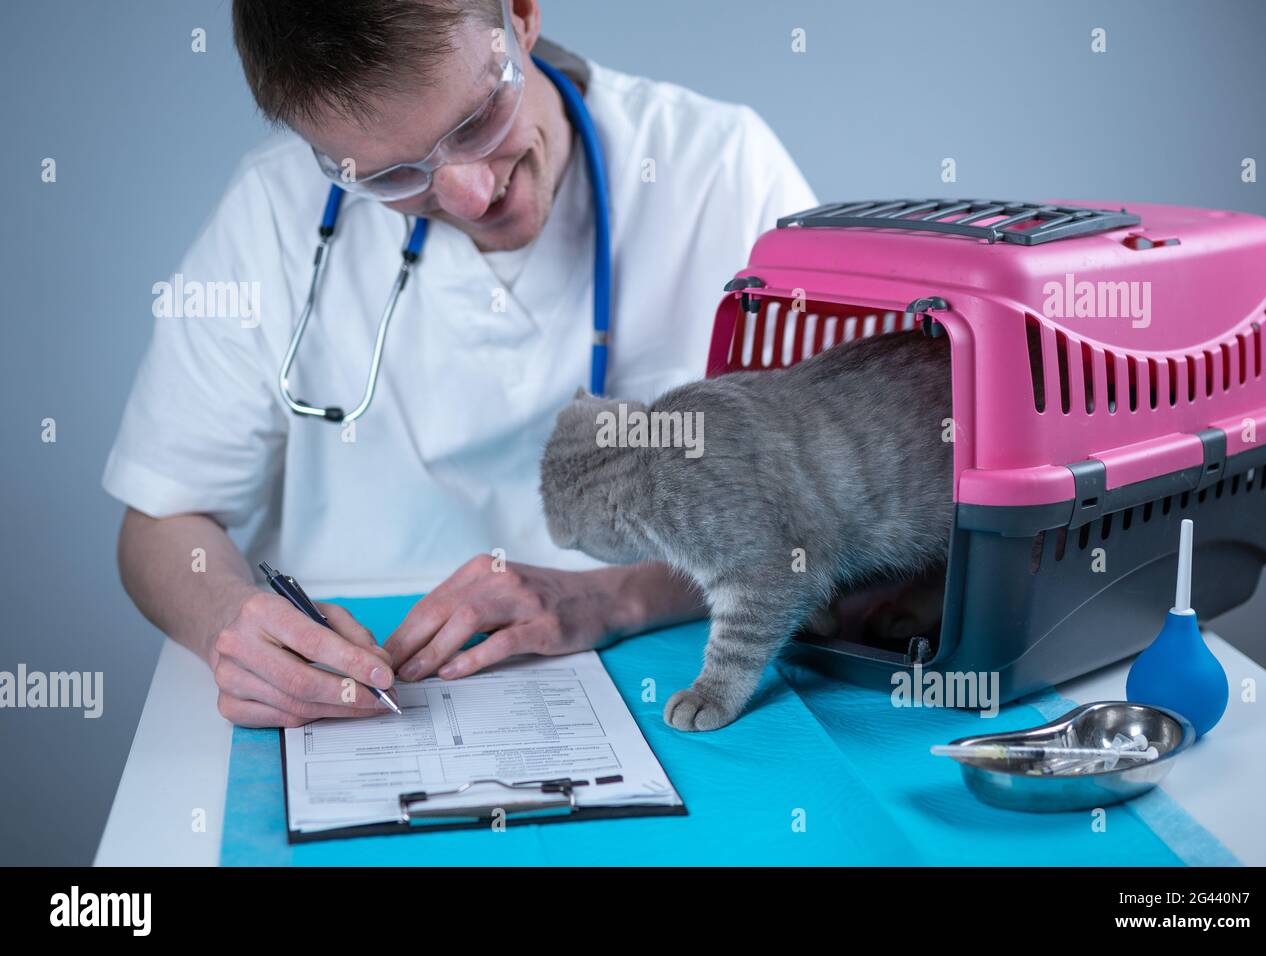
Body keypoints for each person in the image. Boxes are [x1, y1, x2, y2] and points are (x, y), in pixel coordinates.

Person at [105, 0, 817, 727]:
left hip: (674, 666)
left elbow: (821, 512)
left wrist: (614, 596)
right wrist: (229, 619)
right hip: (357, 706)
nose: (472, 197)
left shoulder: (722, 170)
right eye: (392, 177)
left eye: (477, 121)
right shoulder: (270, 211)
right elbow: (163, 518)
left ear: (521, 14)